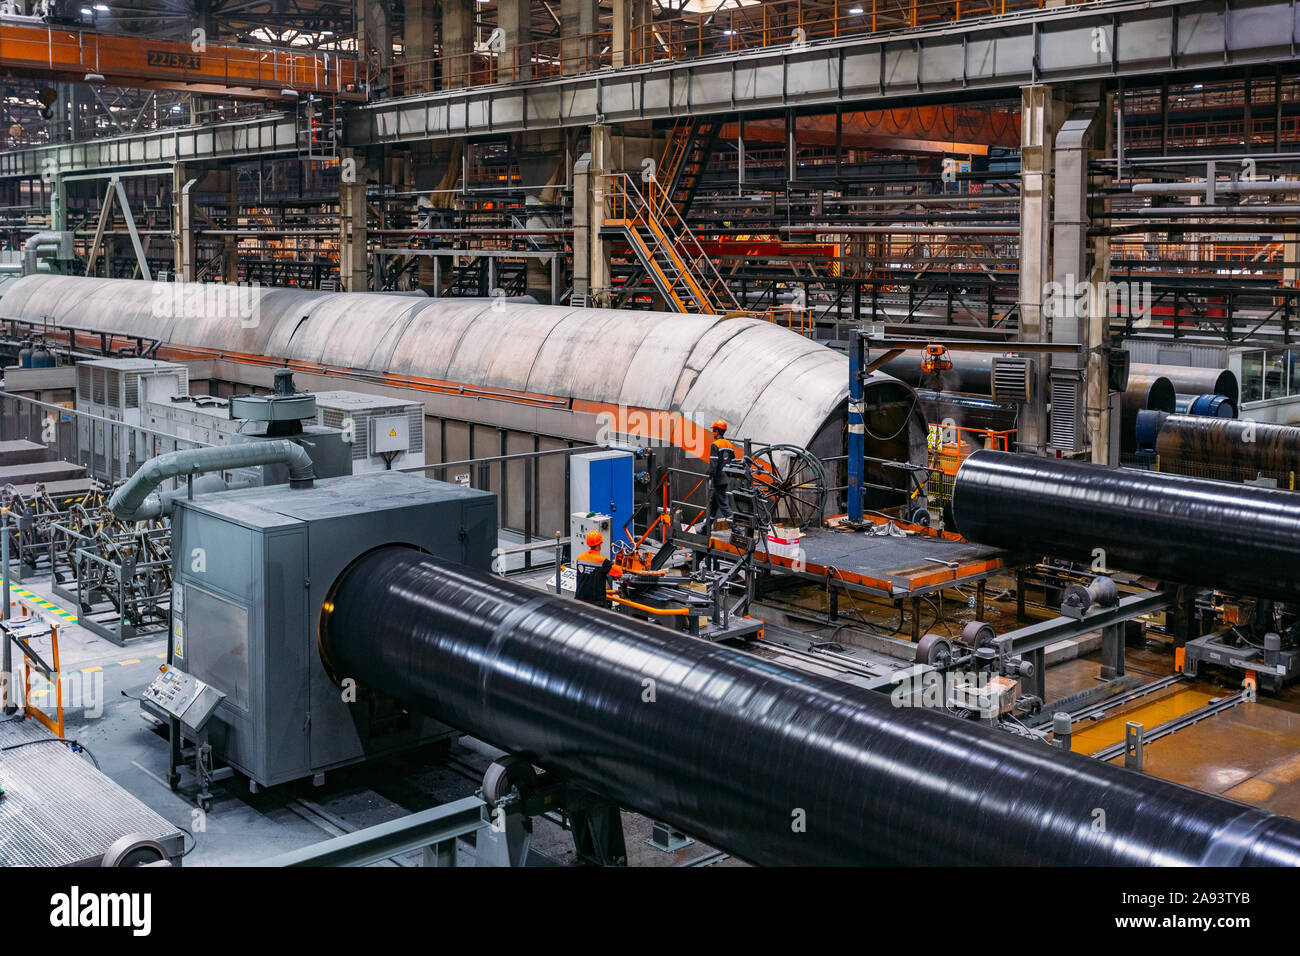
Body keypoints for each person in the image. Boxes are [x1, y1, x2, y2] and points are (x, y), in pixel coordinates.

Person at [574, 530, 622, 606]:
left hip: (579, 599)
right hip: (596, 603)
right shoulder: (602, 561)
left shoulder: (580, 558)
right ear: (599, 545)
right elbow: (619, 573)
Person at [708, 419, 737, 530]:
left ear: (717, 431)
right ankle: (706, 528)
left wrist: (710, 476)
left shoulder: (715, 445)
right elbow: (733, 461)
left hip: (718, 479)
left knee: (724, 506)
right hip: (726, 478)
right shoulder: (729, 444)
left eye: (714, 431)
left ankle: (736, 530)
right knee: (713, 505)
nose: (713, 433)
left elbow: (713, 463)